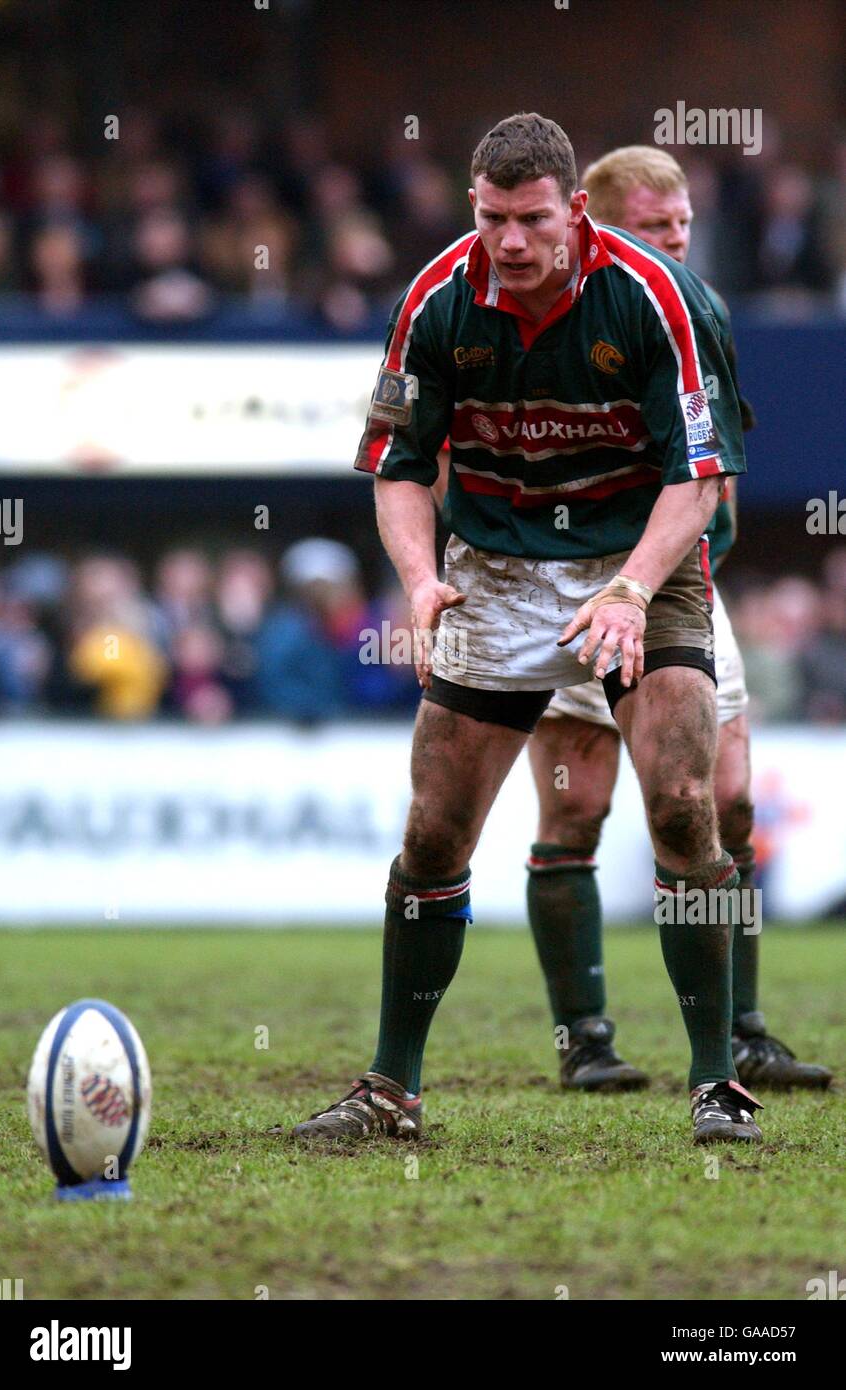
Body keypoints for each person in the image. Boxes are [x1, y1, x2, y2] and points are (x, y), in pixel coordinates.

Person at [290, 112, 761, 1147]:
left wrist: (633, 590)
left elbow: (697, 477)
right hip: (495, 575)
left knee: (685, 809)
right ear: (474, 207)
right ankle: (391, 1089)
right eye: (491, 216)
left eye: (531, 219)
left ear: (573, 212)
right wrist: (417, 579)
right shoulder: (434, 299)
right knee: (431, 833)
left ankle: (716, 1080)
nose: (509, 241)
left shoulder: (656, 297)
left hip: (638, 562)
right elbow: (399, 464)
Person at [510, 146, 831, 1093]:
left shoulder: (703, 317)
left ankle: (743, 1032)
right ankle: (584, 1038)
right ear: (599, 229)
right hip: (572, 590)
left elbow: (717, 470)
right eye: (656, 228)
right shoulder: (575, 324)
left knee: (724, 806)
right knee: (575, 807)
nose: (677, 240)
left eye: (684, 223)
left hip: (684, 587)